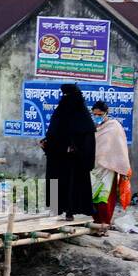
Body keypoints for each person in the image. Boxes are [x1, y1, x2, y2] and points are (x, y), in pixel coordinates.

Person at [41, 82, 95, 221]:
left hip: (74, 159)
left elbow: (88, 140)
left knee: (71, 184)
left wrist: (75, 147)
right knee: (59, 182)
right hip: (60, 157)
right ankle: (58, 209)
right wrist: (47, 143)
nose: (66, 98)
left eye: (68, 95)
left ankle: (69, 211)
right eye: (65, 95)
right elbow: (53, 133)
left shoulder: (77, 115)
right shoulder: (65, 113)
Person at [90, 101, 130, 235]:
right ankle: (96, 224)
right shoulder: (92, 127)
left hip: (108, 169)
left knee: (104, 198)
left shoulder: (114, 127)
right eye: (94, 114)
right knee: (92, 198)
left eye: (99, 114)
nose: (97, 117)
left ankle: (105, 224)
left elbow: (121, 149)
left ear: (106, 113)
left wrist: (123, 168)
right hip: (93, 168)